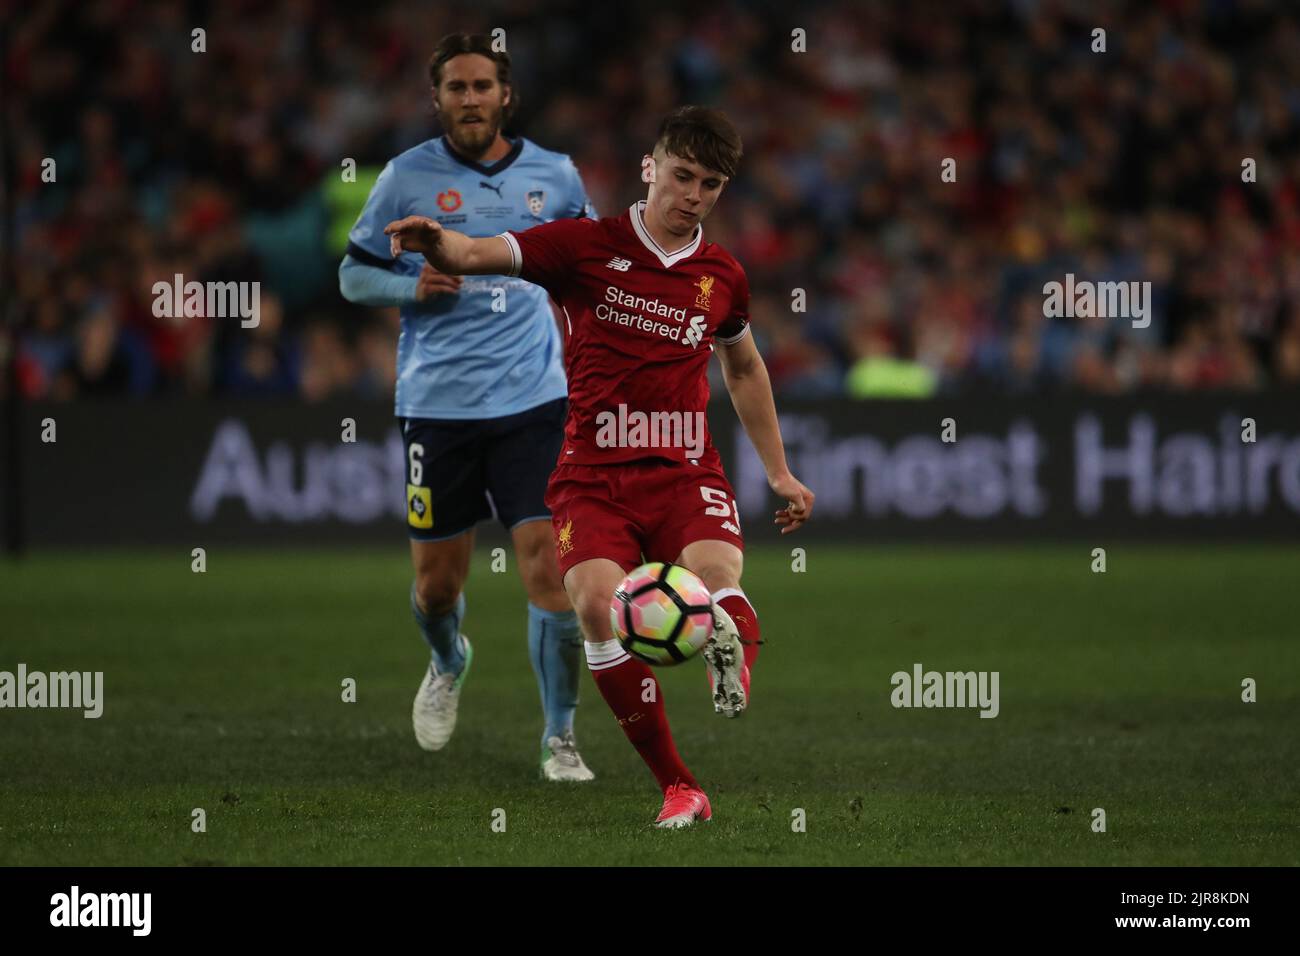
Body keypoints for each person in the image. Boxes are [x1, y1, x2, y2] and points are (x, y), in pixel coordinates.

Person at [385, 105, 814, 828]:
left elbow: (742, 366)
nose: (694, 196)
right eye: (682, 177)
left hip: (685, 471)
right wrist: (440, 245)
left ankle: (728, 647)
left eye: (710, 185)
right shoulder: (585, 247)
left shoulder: (722, 276)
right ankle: (681, 787)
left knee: (719, 581)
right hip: (592, 478)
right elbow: (479, 254)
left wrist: (778, 471)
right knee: (594, 607)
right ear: (651, 168)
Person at [339, 33, 598, 782]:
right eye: (457, 88)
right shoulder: (403, 178)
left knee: (550, 569)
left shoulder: (558, 177)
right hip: (438, 406)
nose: (472, 98)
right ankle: (449, 658)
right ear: (438, 99)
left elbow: (591, 267)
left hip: (535, 402)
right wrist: (407, 286)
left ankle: (560, 737)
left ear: (505, 94)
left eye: (483, 85)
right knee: (437, 586)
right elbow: (355, 277)